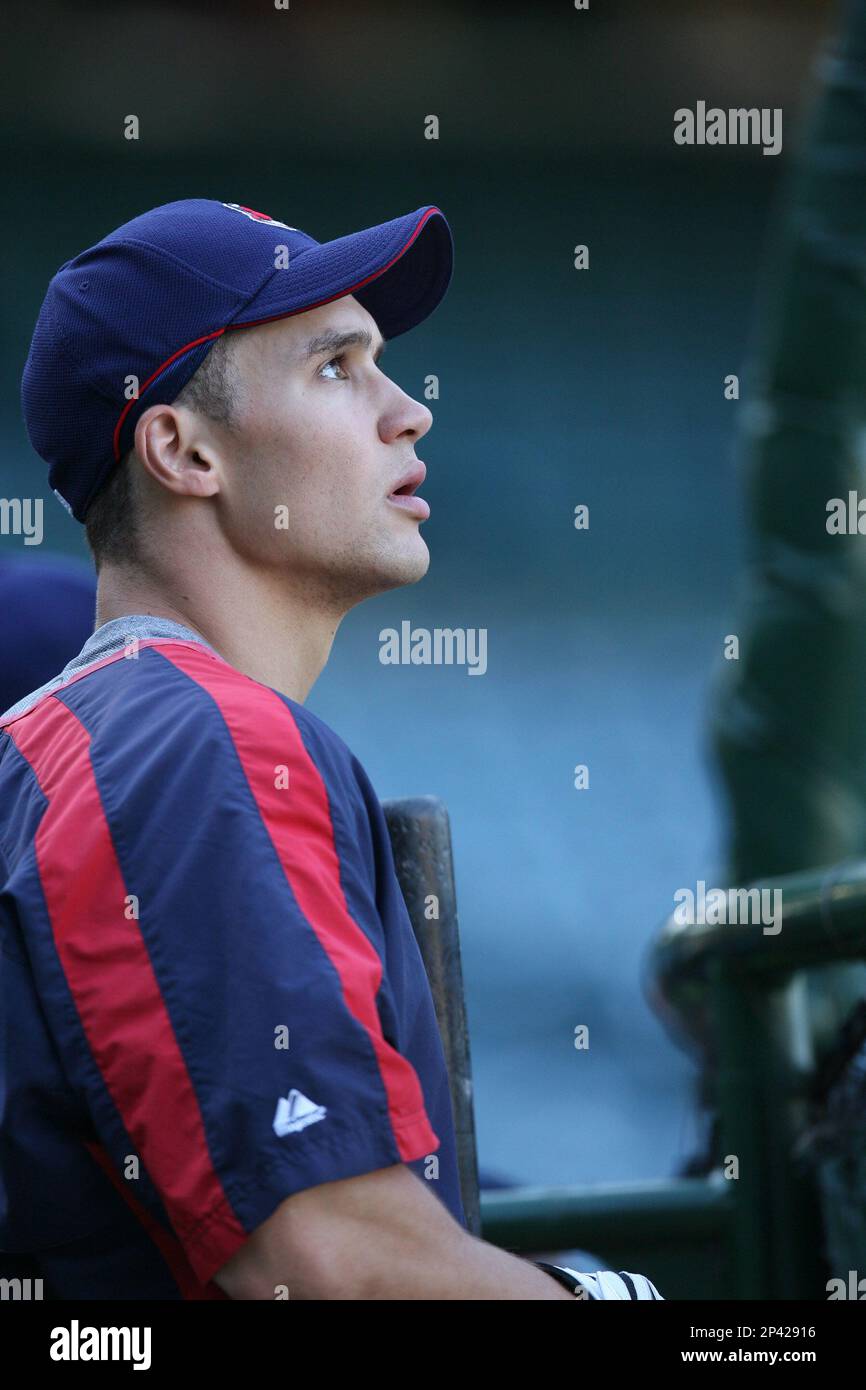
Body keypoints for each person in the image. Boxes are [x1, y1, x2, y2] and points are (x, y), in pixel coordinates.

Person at [0, 198, 663, 1300]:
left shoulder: (67, 746)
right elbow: (334, 1265)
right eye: (335, 367)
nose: (409, 412)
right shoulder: (194, 742)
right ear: (184, 450)